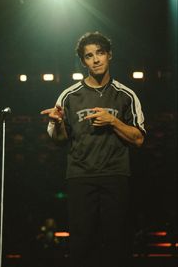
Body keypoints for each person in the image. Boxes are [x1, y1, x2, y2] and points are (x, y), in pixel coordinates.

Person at [41, 31, 146, 267]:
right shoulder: (68, 96)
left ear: (109, 56)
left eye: (100, 53)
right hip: (80, 176)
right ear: (83, 61)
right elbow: (58, 140)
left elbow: (138, 139)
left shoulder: (126, 95)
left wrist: (113, 121)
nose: (95, 59)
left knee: (117, 242)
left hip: (115, 176)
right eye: (89, 56)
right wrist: (58, 123)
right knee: (81, 244)